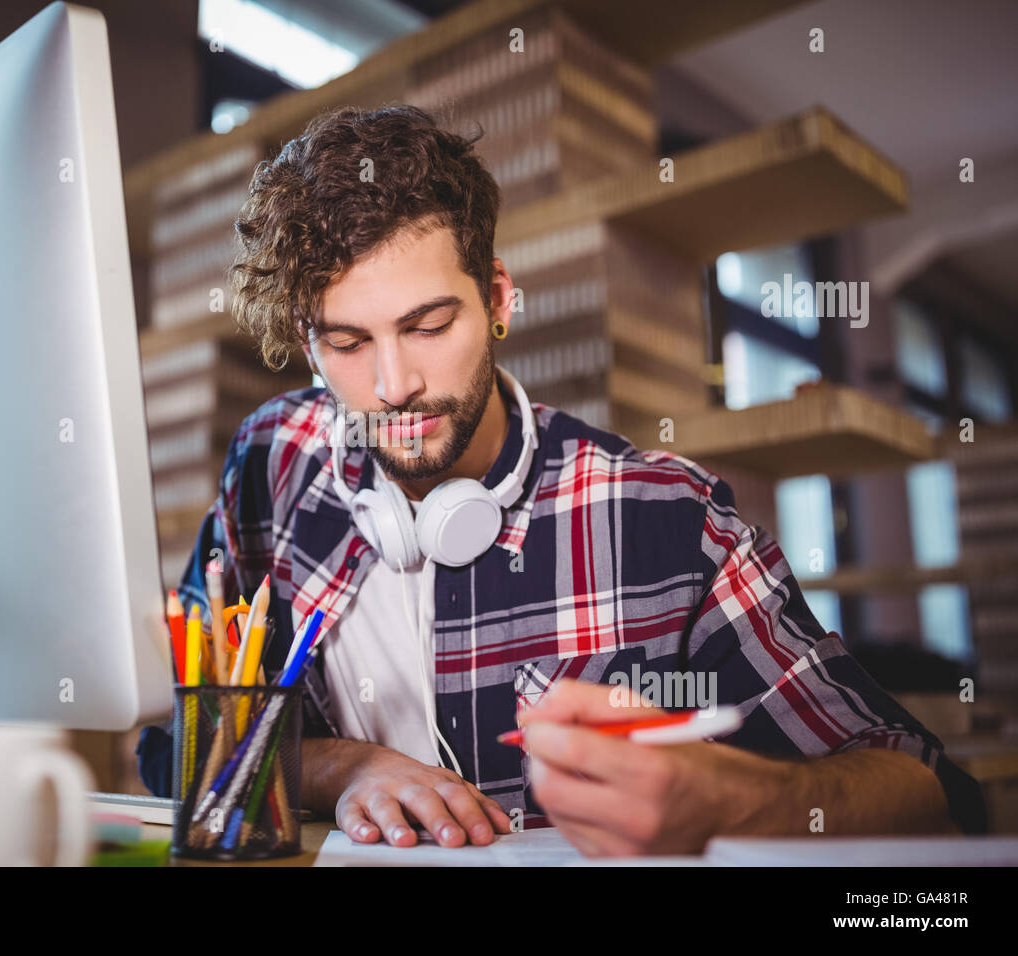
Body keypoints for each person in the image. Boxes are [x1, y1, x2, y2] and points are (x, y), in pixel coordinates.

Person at [137, 104, 986, 856]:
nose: (393, 385)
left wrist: (743, 799)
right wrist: (340, 765)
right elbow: (175, 741)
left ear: (499, 299)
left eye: (429, 325)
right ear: (307, 338)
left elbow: (933, 793)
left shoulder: (669, 518)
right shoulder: (272, 461)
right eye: (348, 344)